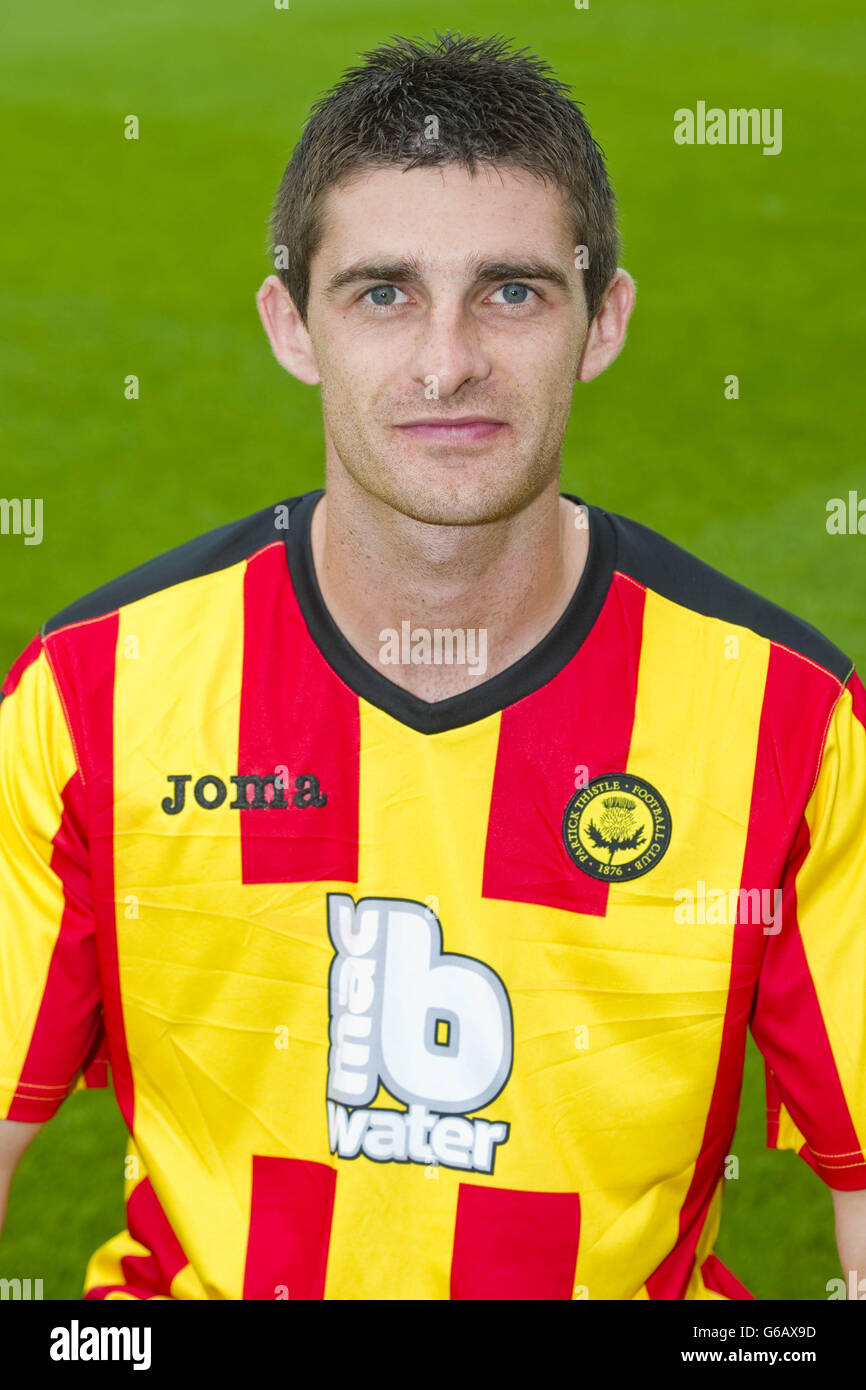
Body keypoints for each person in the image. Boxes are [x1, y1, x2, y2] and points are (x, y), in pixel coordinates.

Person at [1, 31, 864, 1301]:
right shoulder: (89, 696)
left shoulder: (788, 717)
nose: (446, 360)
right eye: (382, 292)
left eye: (510, 291)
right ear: (291, 326)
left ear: (601, 320)